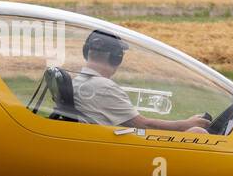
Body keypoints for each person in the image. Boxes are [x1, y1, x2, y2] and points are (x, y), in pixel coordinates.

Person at [71, 30, 211, 131]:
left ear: (85, 52)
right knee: (197, 132)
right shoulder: (103, 87)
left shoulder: (78, 82)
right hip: (112, 155)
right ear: (116, 57)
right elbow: (144, 125)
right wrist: (186, 124)